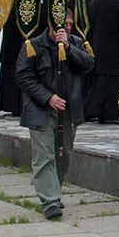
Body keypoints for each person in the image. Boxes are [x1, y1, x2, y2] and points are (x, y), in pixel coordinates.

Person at [15, 16, 94, 218]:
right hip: (40, 109)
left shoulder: (76, 42)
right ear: (51, 23)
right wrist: (47, 97)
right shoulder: (34, 45)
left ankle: (55, 191)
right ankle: (49, 201)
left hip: (67, 109)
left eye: (70, 24)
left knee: (63, 154)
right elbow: (23, 76)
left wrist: (68, 47)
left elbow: (88, 65)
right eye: (63, 24)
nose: (66, 28)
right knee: (44, 155)